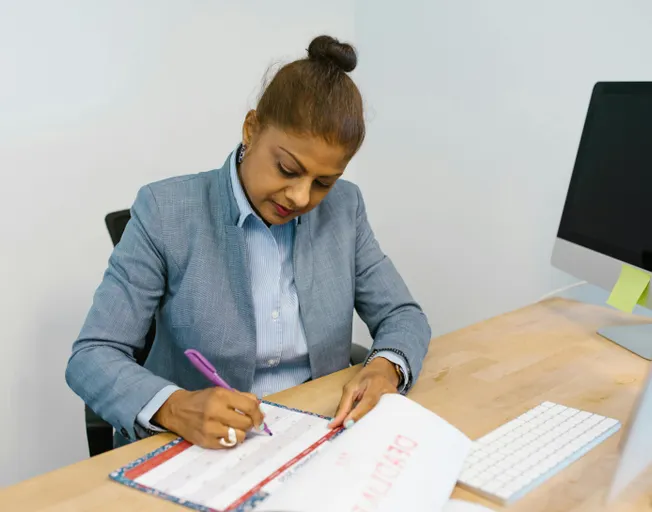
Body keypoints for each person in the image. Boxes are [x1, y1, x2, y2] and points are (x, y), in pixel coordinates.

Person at [65, 35, 431, 451]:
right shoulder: (165, 211)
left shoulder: (345, 209)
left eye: (323, 183)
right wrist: (174, 406)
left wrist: (385, 367)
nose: (300, 197)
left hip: (318, 436)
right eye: (287, 169)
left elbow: (403, 315)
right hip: (200, 447)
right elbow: (92, 355)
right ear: (251, 129)